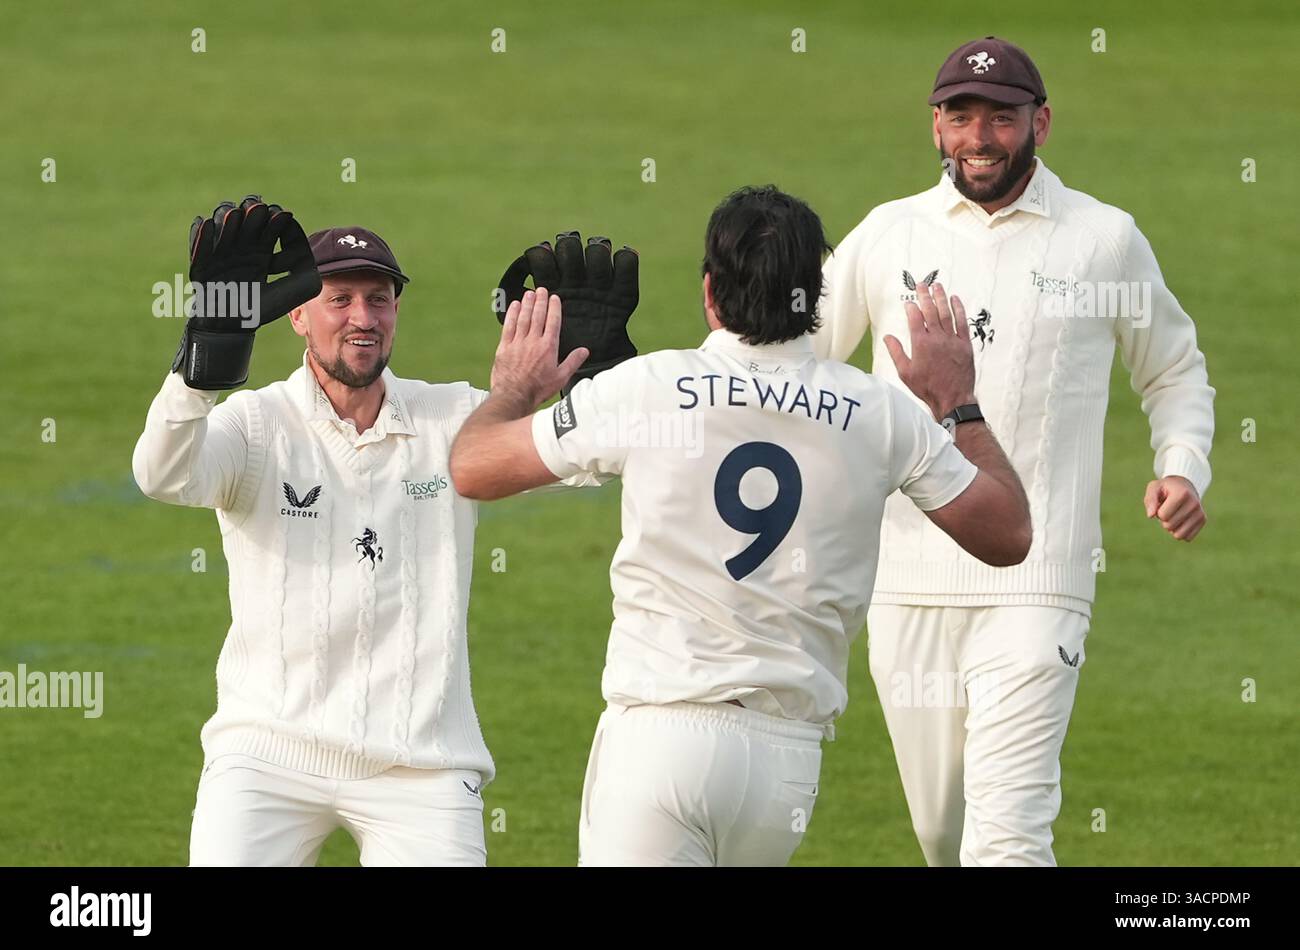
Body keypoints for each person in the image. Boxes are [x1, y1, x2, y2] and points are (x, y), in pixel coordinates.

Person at [449, 186, 1031, 866]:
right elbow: (1008, 533)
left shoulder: (647, 387)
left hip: (660, 743)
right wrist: (958, 401)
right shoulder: (881, 414)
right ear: (814, 298)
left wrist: (517, 388)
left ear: (709, 293)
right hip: (784, 768)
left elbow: (473, 468)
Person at [815, 37, 1216, 866]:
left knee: (1008, 838)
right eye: (962, 117)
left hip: (1040, 581)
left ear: (1042, 123)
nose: (981, 137)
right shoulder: (889, 234)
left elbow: (1173, 368)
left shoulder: (1101, 239)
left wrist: (1182, 466)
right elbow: (792, 356)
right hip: (904, 579)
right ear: (935, 126)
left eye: (1002, 119)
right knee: (940, 832)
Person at [132, 196, 620, 865]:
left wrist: (605, 377)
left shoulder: (453, 420)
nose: (363, 318)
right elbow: (162, 474)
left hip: (420, 763)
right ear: (296, 313)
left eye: (380, 298)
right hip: (268, 753)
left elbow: (597, 462)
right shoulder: (257, 425)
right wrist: (201, 368)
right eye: (340, 299)